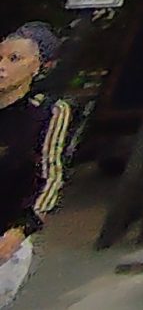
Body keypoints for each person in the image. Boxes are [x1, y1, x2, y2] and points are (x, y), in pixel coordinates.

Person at [0, 25, 71, 310]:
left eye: (14, 59)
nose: (2, 67)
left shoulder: (47, 113)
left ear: (38, 66)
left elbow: (51, 177)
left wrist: (20, 231)